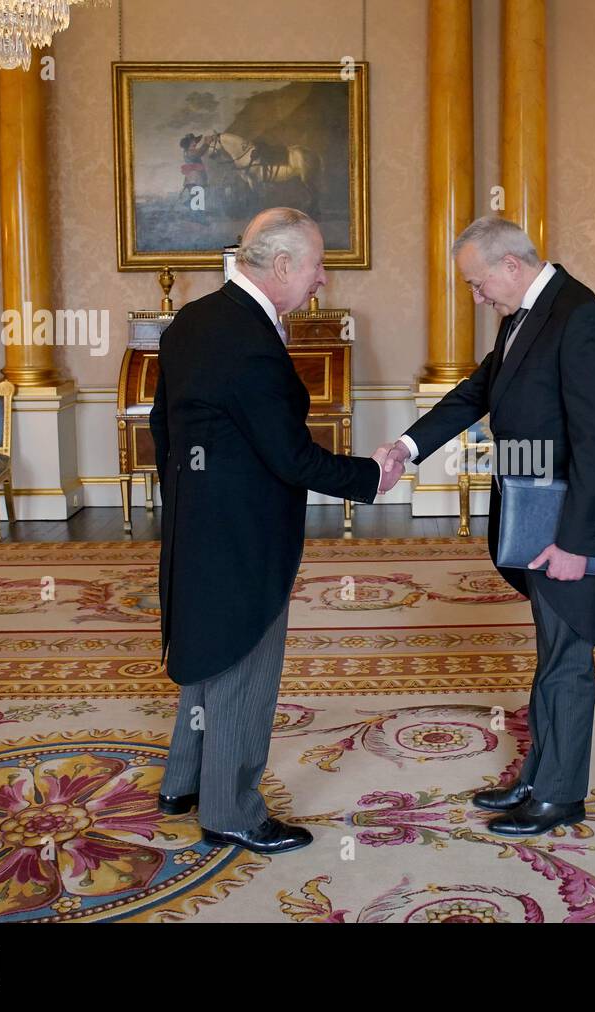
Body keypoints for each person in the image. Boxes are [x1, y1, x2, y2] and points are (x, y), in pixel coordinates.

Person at [151, 207, 399, 855]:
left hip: (196, 519)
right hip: (245, 532)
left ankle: (182, 782)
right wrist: (372, 476)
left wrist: (185, 502)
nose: (322, 279)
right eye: (318, 265)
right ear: (284, 264)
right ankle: (231, 809)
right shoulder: (253, 342)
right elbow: (292, 458)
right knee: (245, 666)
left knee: (206, 649)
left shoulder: (192, 321)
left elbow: (163, 432)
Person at [377, 216, 595, 836]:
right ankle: (541, 774)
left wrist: (576, 545)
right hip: (530, 514)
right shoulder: (523, 315)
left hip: (564, 524)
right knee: (550, 654)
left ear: (511, 266)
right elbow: (474, 393)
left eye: (478, 283)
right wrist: (407, 448)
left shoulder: (582, 318)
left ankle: (561, 796)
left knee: (567, 658)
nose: (476, 296)